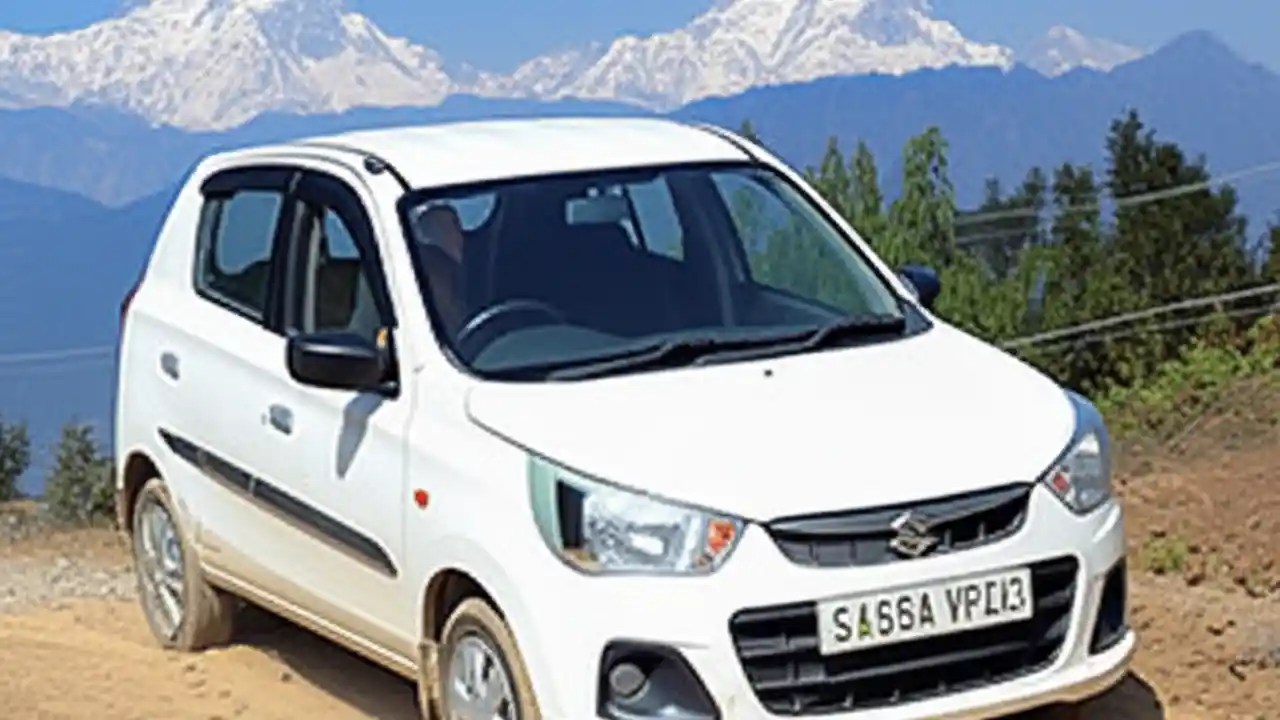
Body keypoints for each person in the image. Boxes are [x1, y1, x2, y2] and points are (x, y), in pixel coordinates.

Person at [414, 204, 468, 337]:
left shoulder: (467, 279)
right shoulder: (427, 276)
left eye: (456, 227)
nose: (459, 236)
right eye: (447, 229)